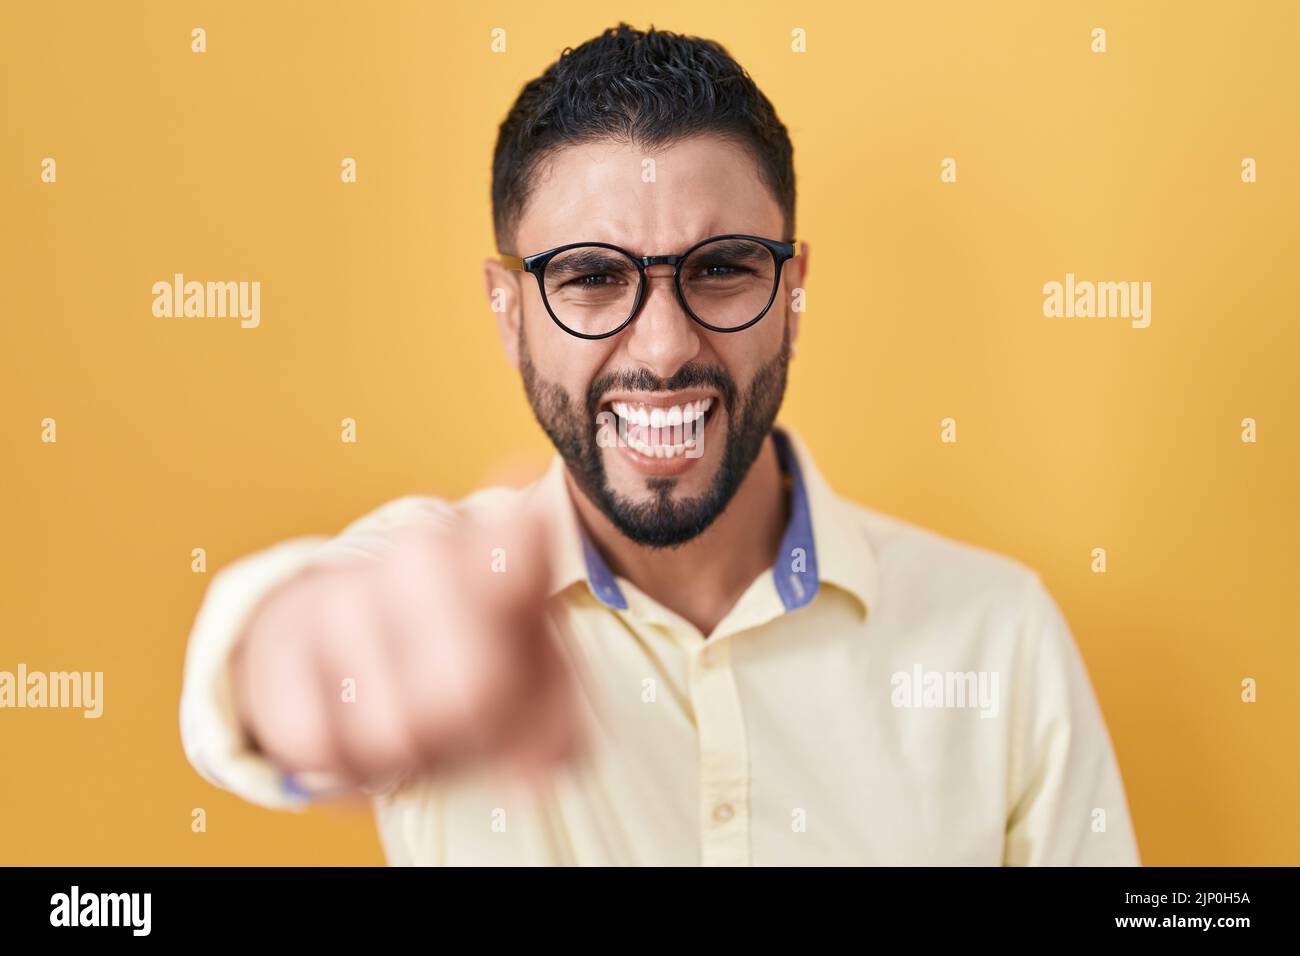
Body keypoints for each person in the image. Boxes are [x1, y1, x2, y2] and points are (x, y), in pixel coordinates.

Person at [179, 23, 1139, 866]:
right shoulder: (443, 594)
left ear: (794, 291)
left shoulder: (1000, 637)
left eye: (721, 269)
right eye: (593, 277)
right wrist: (294, 660)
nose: (667, 344)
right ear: (508, 312)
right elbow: (291, 640)